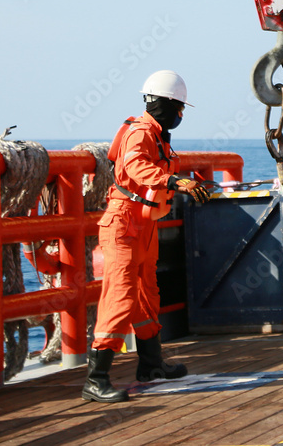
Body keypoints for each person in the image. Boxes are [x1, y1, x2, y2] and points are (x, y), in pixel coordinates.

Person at [82, 70, 211, 403]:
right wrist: (174, 182)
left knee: (147, 294)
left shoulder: (158, 135)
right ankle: (95, 379)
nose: (181, 115)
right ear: (165, 104)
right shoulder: (140, 133)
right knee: (120, 296)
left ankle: (152, 365)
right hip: (123, 224)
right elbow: (136, 166)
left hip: (144, 224)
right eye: (179, 107)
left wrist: (181, 181)